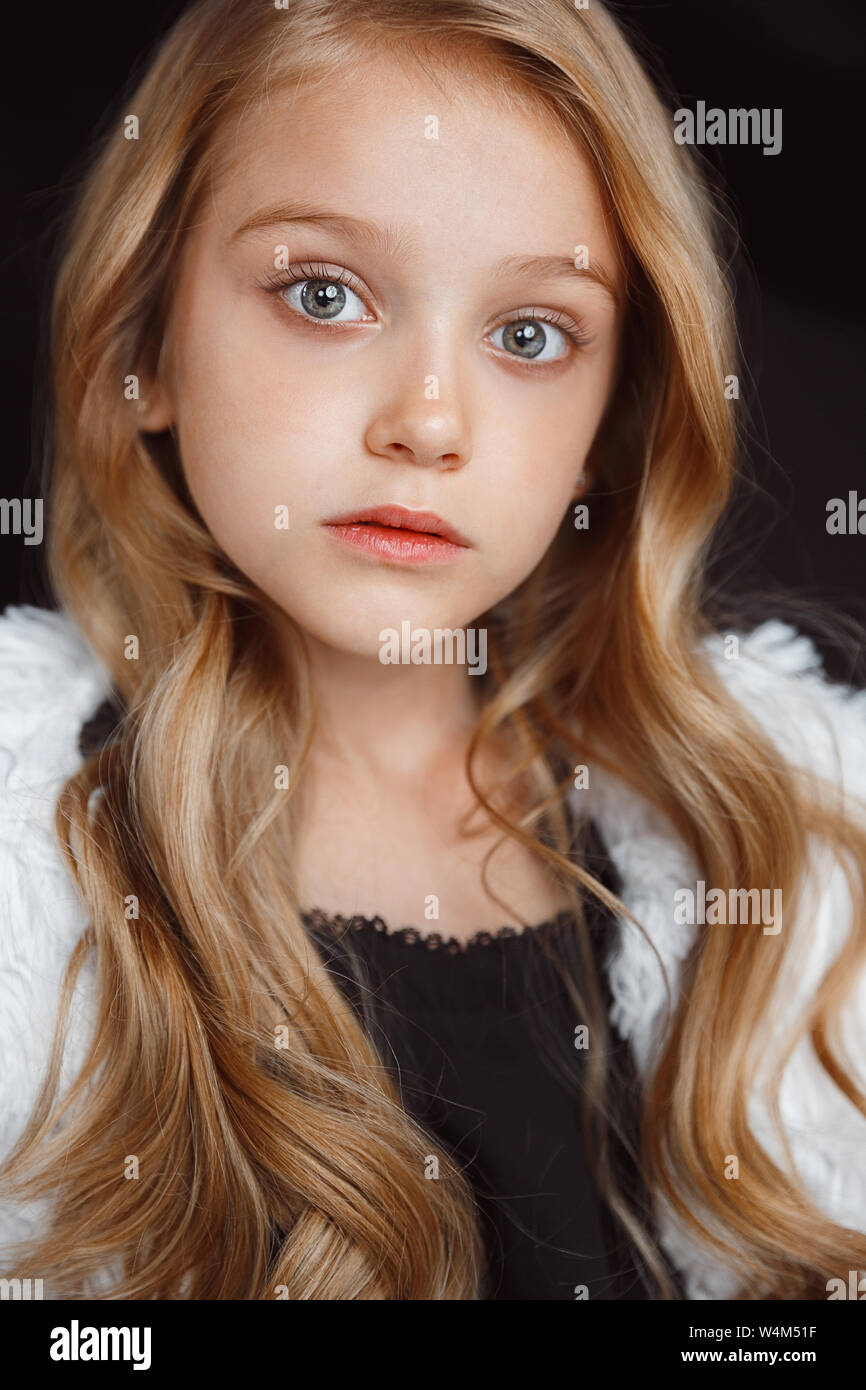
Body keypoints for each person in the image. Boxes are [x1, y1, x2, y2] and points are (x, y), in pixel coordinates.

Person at [0, 0, 864, 1301]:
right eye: (323, 294)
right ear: (143, 344)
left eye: (530, 334)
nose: (426, 419)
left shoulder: (789, 845)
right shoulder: (31, 858)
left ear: (606, 419)